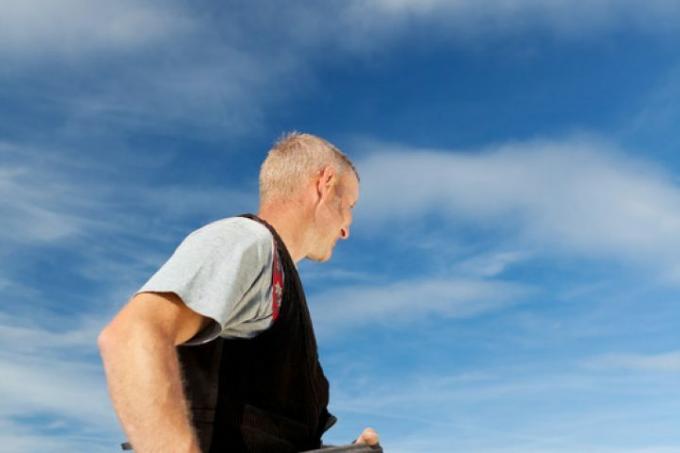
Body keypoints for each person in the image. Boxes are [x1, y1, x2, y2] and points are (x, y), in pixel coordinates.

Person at [98, 133, 380, 452]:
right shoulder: (248, 241)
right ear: (325, 183)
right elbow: (131, 335)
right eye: (349, 206)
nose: (346, 228)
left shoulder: (275, 275)